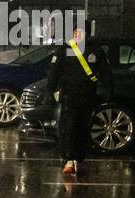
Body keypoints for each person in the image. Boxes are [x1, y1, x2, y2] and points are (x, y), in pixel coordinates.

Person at [48, 24, 112, 176]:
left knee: (83, 127)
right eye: (76, 32)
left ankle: (77, 157)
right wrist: (51, 91)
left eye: (82, 32)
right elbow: (54, 72)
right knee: (69, 126)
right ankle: (69, 158)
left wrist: (108, 90)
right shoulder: (64, 50)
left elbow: (105, 72)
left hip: (88, 95)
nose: (79, 35)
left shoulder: (95, 51)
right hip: (69, 95)